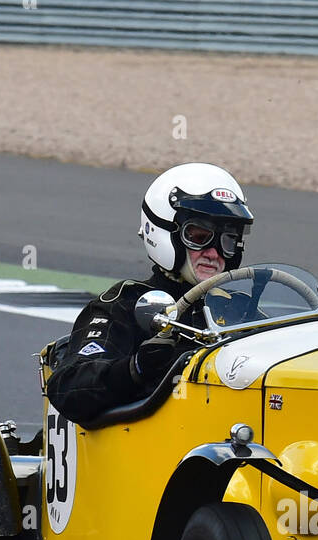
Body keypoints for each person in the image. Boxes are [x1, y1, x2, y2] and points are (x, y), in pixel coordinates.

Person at [45, 163, 254, 426]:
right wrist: (136, 368)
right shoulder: (124, 305)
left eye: (227, 239)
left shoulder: (246, 312)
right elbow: (67, 387)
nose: (214, 253)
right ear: (165, 232)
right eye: (200, 237)